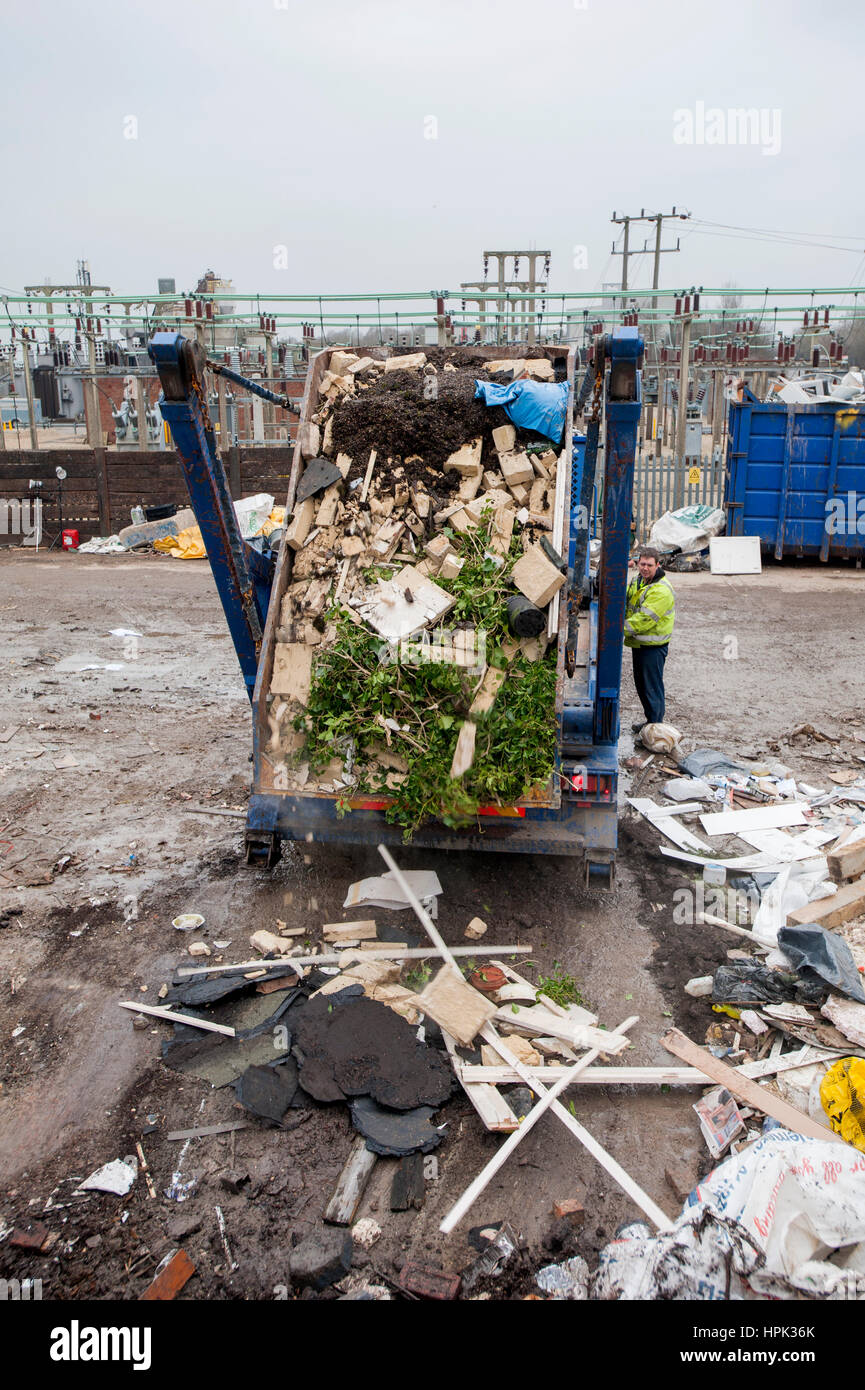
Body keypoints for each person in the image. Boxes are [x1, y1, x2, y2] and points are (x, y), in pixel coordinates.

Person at [624, 547, 675, 733]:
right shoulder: (638, 581)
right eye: (642, 564)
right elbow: (627, 600)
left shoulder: (661, 590)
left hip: (653, 647)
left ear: (658, 565)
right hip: (641, 644)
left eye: (649, 565)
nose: (645, 568)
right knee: (642, 685)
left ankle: (655, 728)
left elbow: (644, 620)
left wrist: (617, 629)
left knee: (651, 687)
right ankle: (651, 723)